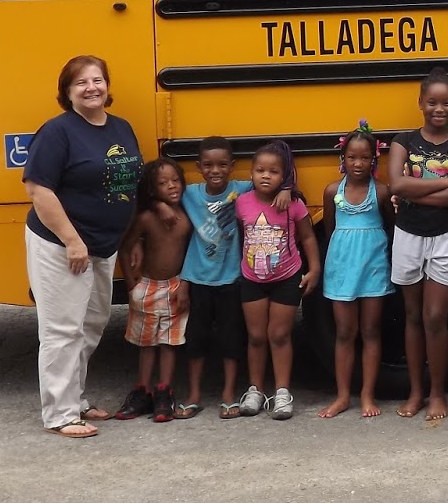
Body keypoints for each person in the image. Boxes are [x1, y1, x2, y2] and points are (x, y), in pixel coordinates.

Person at [23, 55, 144, 438]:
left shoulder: (121, 128)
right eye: (81, 83)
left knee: (91, 324)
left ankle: (75, 399)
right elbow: (38, 189)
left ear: (108, 87)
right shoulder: (58, 132)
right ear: (67, 92)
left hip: (103, 246)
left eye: (97, 80)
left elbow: (129, 183)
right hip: (63, 246)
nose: (91, 88)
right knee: (62, 329)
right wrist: (72, 241)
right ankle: (59, 414)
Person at [389, 70, 448, 422]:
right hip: (408, 234)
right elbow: (396, 184)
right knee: (412, 315)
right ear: (420, 104)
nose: (438, 109)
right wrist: (444, 185)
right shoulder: (403, 141)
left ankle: (438, 391)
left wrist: (416, 189)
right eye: (432, 102)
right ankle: (415, 391)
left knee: (435, 316)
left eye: (446, 103)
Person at [180, 136, 292, 420]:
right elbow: (162, 192)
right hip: (198, 278)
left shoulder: (243, 189)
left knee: (232, 338)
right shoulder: (189, 194)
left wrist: (289, 188)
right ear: (198, 167)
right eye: (207, 165)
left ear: (232, 166)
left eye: (221, 165)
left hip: (231, 278)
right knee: (196, 338)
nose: (215, 170)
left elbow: (274, 174)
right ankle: (193, 394)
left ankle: (229, 394)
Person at [236, 142, 321, 420]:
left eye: (273, 171)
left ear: (284, 176)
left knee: (280, 335)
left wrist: (314, 269)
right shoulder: (242, 202)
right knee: (257, 336)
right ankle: (255, 390)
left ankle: (282, 392)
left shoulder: (293, 204)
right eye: (260, 170)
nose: (265, 176)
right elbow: (241, 235)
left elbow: (307, 237)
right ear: (251, 173)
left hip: (286, 277)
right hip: (252, 279)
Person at [319, 126, 393, 419]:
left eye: (365, 158)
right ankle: (342, 396)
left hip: (373, 267)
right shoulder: (331, 192)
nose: (358, 164)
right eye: (352, 157)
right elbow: (329, 229)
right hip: (341, 269)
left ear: (374, 160)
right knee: (345, 332)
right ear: (343, 158)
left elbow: (391, 225)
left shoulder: (382, 192)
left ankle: (367, 394)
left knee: (371, 331)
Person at [113, 158, 193, 423]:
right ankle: (142, 390)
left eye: (175, 180)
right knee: (146, 343)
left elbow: (195, 252)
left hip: (175, 285)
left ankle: (164, 391)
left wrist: (185, 284)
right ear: (151, 190)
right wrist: (131, 284)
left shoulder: (189, 215)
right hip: (146, 286)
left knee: (170, 342)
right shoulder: (147, 217)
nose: (171, 186)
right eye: (162, 183)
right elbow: (126, 245)